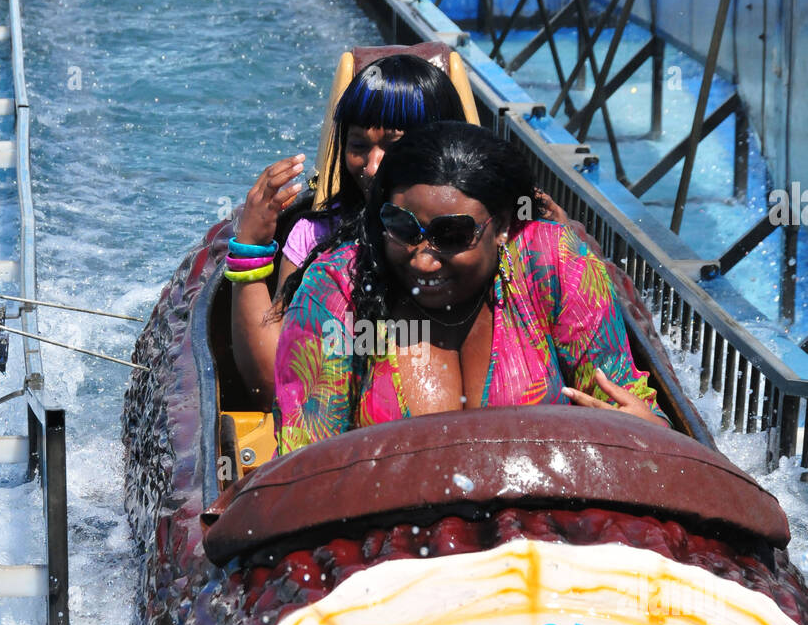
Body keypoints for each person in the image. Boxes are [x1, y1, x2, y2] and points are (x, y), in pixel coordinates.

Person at [273, 121, 668, 454]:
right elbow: (306, 457)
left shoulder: (553, 263)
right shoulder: (338, 290)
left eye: (452, 234)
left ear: (502, 227)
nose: (422, 259)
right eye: (402, 227)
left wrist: (650, 430)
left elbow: (628, 405)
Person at [228, 54, 466, 407]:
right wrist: (249, 246)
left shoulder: (484, 237)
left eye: (394, 144)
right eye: (358, 146)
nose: (372, 167)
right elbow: (275, 388)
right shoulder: (318, 243)